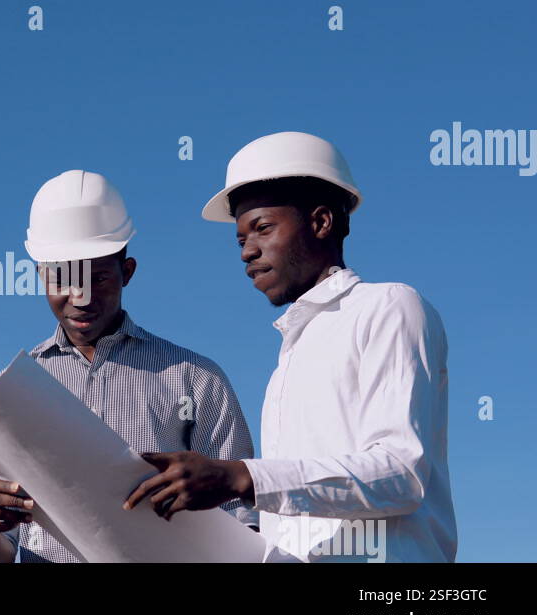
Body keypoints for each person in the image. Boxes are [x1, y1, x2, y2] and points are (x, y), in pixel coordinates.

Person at [125, 132, 457, 562]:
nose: (247, 252)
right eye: (240, 240)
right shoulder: (288, 358)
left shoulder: (389, 307)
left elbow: (400, 473)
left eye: (262, 228)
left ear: (321, 223)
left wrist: (240, 477)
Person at [0, 169, 257, 563]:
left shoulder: (196, 379)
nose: (80, 297)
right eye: (63, 278)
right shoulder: (9, 396)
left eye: (98, 278)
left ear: (128, 272)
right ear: (40, 277)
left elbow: (242, 527)